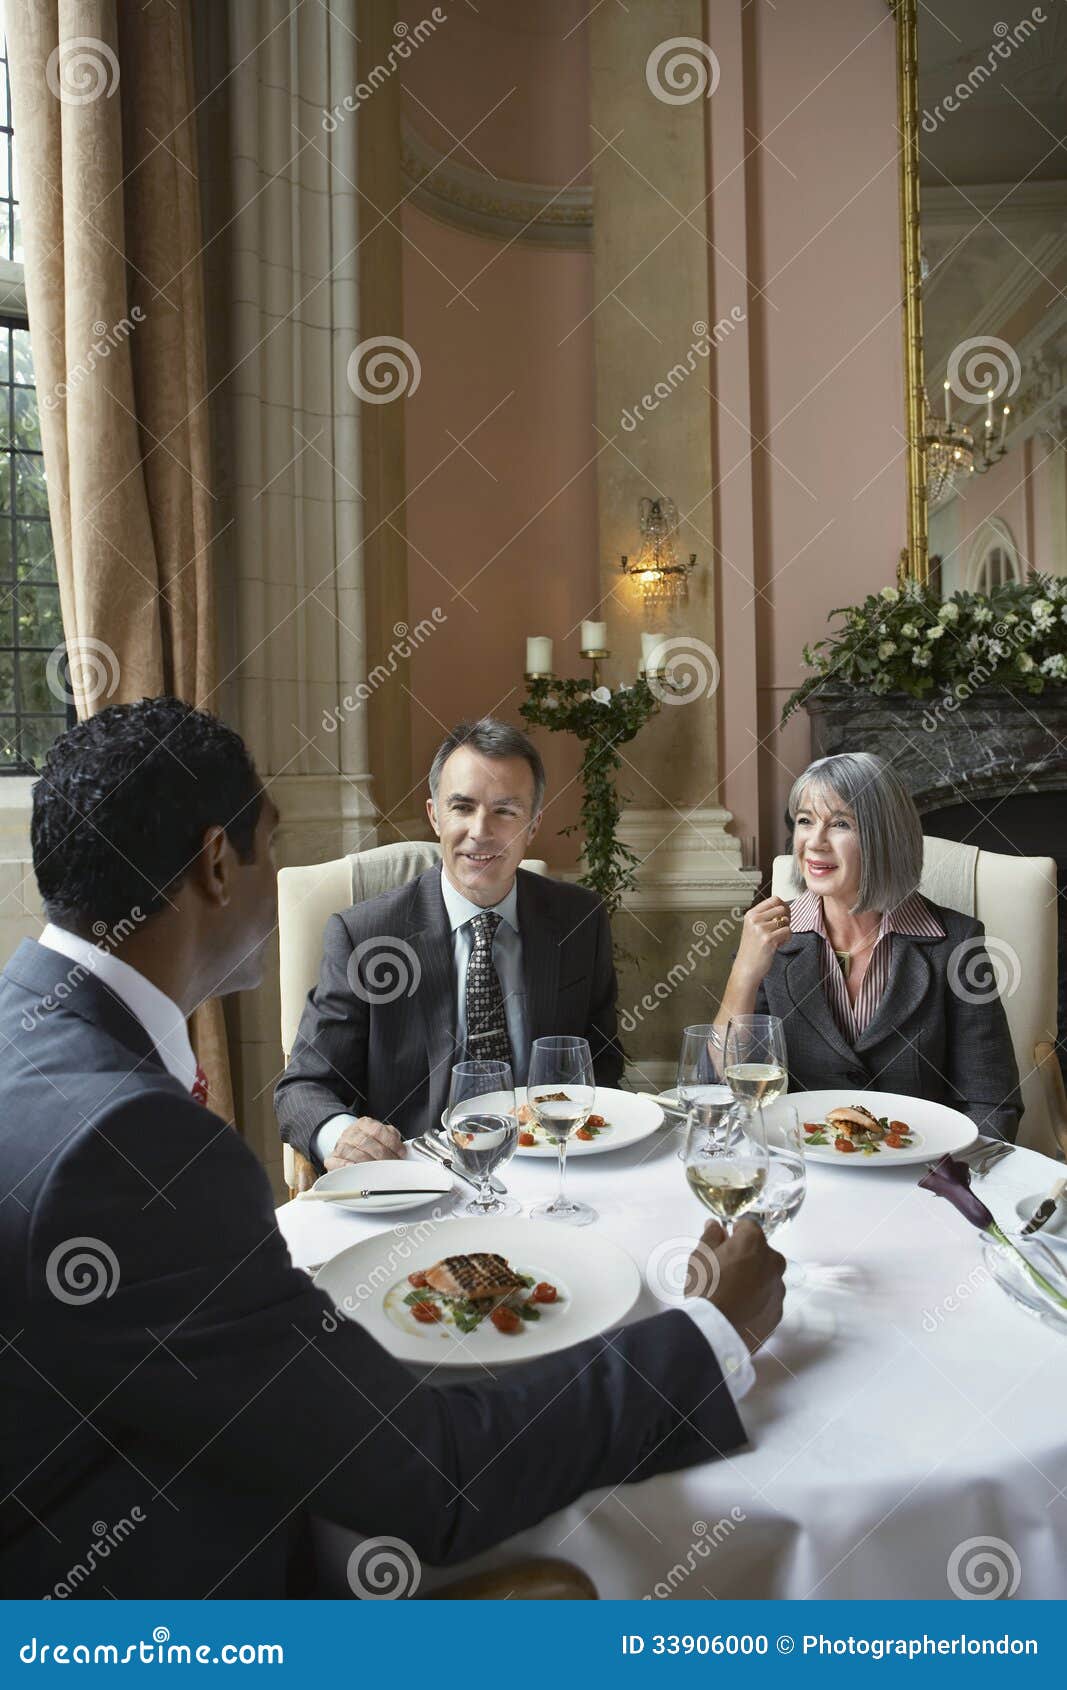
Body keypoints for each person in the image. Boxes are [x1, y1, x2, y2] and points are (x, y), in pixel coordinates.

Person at [0, 697, 785, 1599]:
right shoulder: (133, 1147)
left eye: (504, 811)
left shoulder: (28, 1028)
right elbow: (435, 1474)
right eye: (273, 841)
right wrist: (710, 1330)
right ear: (219, 864)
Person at [275, 717, 624, 1172]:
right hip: (415, 1180)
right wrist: (344, 1137)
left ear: (533, 825)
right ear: (434, 814)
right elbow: (302, 1088)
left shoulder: (580, 920)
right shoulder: (367, 936)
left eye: (505, 811)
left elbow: (603, 1063)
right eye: (462, 807)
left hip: (551, 1170)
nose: (481, 831)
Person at [716, 751, 1021, 1142]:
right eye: (806, 821)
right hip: (803, 1169)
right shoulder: (769, 936)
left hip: (921, 1176)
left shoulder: (958, 944)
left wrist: (951, 1184)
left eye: (840, 823)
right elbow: (731, 1078)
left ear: (885, 838)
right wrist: (745, 970)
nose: (815, 842)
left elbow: (991, 1102)